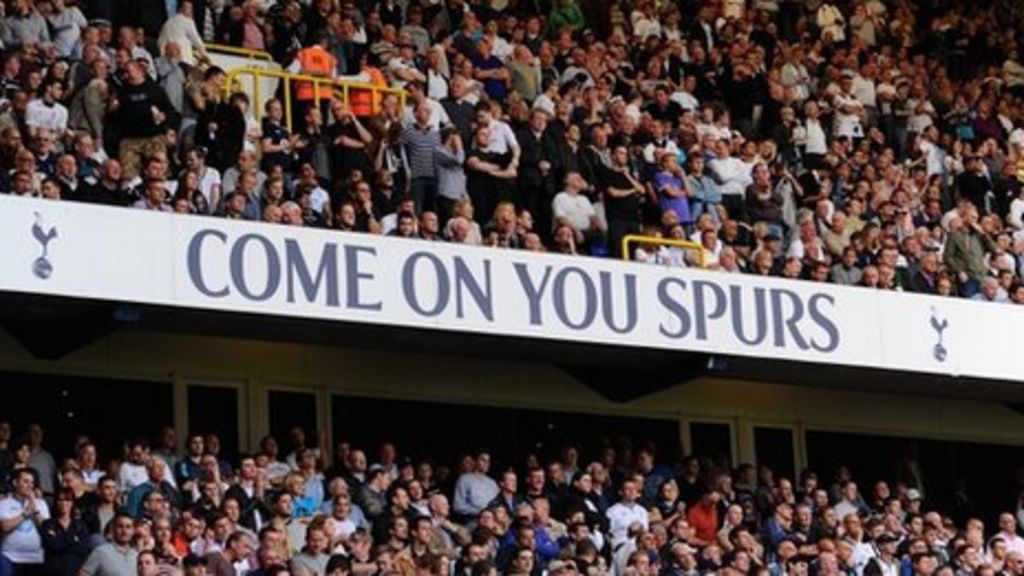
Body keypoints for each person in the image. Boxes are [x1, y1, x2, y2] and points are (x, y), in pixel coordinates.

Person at [0, 469, 51, 572]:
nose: (30, 485)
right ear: (15, 483)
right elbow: (4, 526)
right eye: (25, 481)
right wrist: (25, 514)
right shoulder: (4, 503)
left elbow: (46, 529)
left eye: (32, 482)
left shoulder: (41, 503)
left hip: (36, 557)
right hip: (9, 556)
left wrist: (34, 507)